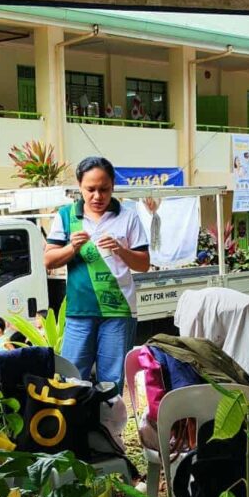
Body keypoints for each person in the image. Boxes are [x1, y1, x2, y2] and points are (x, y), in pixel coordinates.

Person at [45, 156, 149, 389]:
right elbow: (48, 260)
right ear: (80, 186)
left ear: (113, 186)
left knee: (111, 382)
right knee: (71, 380)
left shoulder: (128, 216)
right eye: (90, 189)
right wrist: (72, 247)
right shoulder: (65, 216)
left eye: (104, 189)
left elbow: (143, 264)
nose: (97, 196)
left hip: (119, 310)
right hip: (79, 310)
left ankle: (109, 426)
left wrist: (121, 250)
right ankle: (74, 426)